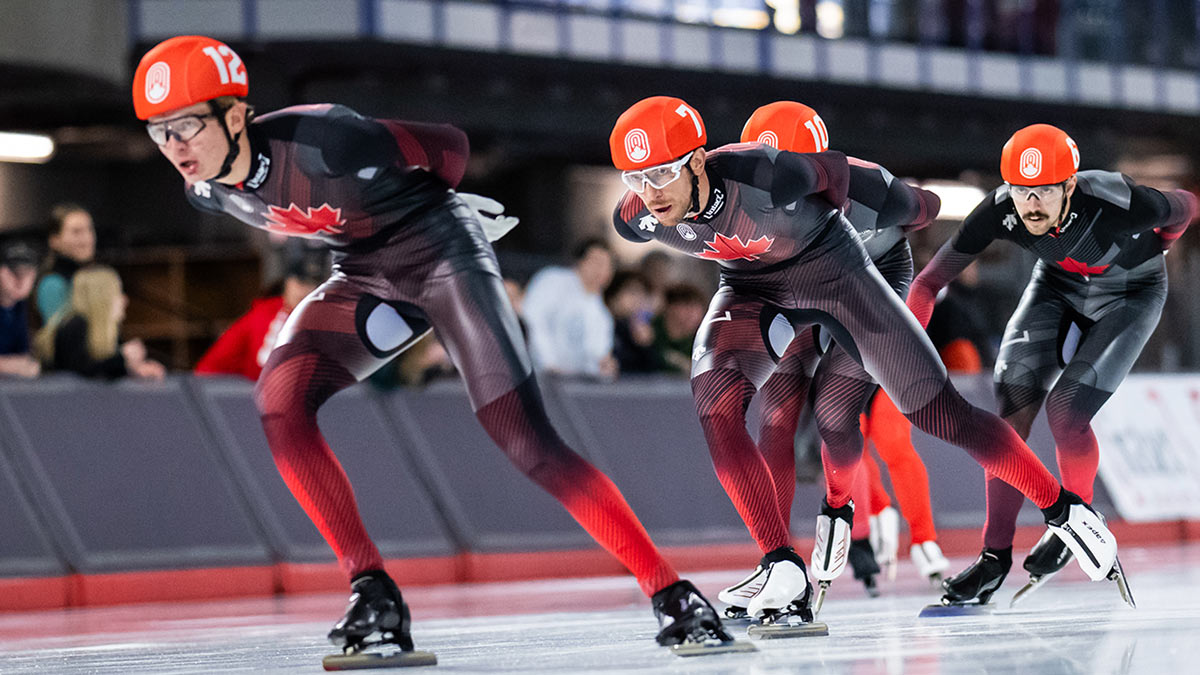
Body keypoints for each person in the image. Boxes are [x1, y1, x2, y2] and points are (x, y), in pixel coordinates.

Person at [132, 36, 738, 658]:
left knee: (526, 441)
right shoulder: (205, 189)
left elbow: (450, 144)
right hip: (365, 277)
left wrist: (444, 201)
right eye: (158, 132)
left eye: (186, 126)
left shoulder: (326, 141)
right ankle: (373, 592)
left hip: (444, 256)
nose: (175, 147)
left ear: (235, 115)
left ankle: (674, 595)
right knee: (279, 401)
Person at [609, 96, 1118, 624]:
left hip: (845, 276)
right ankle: (781, 562)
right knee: (737, 406)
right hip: (756, 287)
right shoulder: (638, 216)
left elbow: (917, 204)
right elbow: (634, 212)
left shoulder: (786, 177)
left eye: (661, 174)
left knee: (904, 412)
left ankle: (1062, 508)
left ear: (697, 160)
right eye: (635, 178)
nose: (649, 193)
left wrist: (891, 205)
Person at [906, 123, 1197, 606]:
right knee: (1010, 406)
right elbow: (928, 282)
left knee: (1066, 412)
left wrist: (1162, 244)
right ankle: (993, 558)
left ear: (1069, 185)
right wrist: (908, 344)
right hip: (1058, 286)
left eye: (1043, 192)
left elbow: (1186, 204)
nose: (1032, 205)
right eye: (1022, 193)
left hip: (1131, 293)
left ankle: (1075, 520)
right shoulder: (999, 212)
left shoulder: (1114, 199)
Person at [716, 101, 945, 612]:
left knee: (849, 420)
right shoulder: (740, 201)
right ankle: (774, 562)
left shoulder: (871, 190)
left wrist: (918, 215)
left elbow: (926, 205)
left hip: (870, 279)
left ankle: (848, 514)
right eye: (765, 186)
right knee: (776, 417)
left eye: (791, 184)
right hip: (787, 287)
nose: (778, 202)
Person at [194, 253, 327, 380]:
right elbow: (212, 364)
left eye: (313, 284)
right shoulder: (262, 315)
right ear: (287, 282)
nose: (306, 290)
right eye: (300, 282)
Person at [33, 265, 165, 380]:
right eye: (117, 292)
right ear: (102, 299)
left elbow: (105, 370)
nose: (125, 300)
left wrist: (136, 368)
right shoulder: (74, 326)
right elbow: (81, 373)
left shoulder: (108, 333)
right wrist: (122, 359)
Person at [522, 238, 618, 379]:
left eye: (607, 265)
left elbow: (597, 357)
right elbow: (532, 319)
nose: (601, 270)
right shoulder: (553, 280)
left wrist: (604, 367)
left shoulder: (602, 315)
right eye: (596, 262)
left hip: (573, 386)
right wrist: (548, 363)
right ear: (580, 262)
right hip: (536, 376)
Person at [36, 203, 96, 323]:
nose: (86, 238)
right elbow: (63, 336)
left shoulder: (93, 276)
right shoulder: (52, 283)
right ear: (54, 240)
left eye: (89, 229)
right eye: (76, 232)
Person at [0, 241, 42, 378]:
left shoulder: (23, 308)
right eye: (15, 273)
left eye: (27, 273)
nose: (21, 281)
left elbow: (25, 358)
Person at [605, 270, 659, 374]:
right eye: (632, 292)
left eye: (642, 294)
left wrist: (645, 346)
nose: (638, 299)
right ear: (613, 296)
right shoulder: (604, 323)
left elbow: (651, 372)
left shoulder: (637, 328)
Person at [651, 283, 707, 375]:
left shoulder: (703, 341)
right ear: (670, 308)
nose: (693, 314)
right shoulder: (650, 332)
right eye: (687, 307)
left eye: (697, 308)